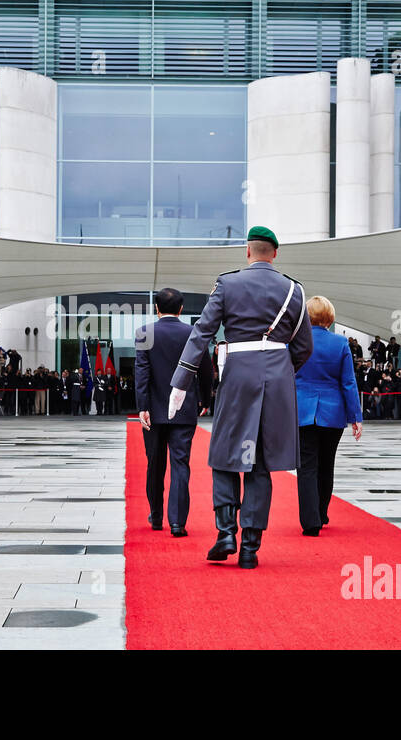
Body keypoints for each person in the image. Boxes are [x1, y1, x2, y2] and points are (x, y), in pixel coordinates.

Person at [168, 226, 313, 569]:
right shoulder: (295, 290)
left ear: (248, 252)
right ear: (274, 254)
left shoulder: (228, 284)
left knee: (225, 453)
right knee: (261, 462)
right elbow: (304, 347)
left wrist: (181, 382)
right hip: (276, 377)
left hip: (237, 374)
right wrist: (277, 367)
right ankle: (250, 546)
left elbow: (202, 332)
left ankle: (225, 532)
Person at [134, 288, 213, 537]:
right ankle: (178, 522)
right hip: (184, 408)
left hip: (155, 411)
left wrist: (142, 406)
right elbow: (205, 369)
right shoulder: (192, 333)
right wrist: (204, 398)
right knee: (180, 464)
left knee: (154, 464)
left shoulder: (145, 332)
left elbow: (142, 372)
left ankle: (156, 516)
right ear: (181, 309)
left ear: (156, 309)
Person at [294, 296, 362, 537]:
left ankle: (310, 520)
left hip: (302, 410)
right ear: (330, 317)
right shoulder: (340, 343)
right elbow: (348, 382)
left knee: (307, 467)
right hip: (333, 412)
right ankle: (321, 512)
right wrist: (356, 416)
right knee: (327, 464)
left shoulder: (295, 343)